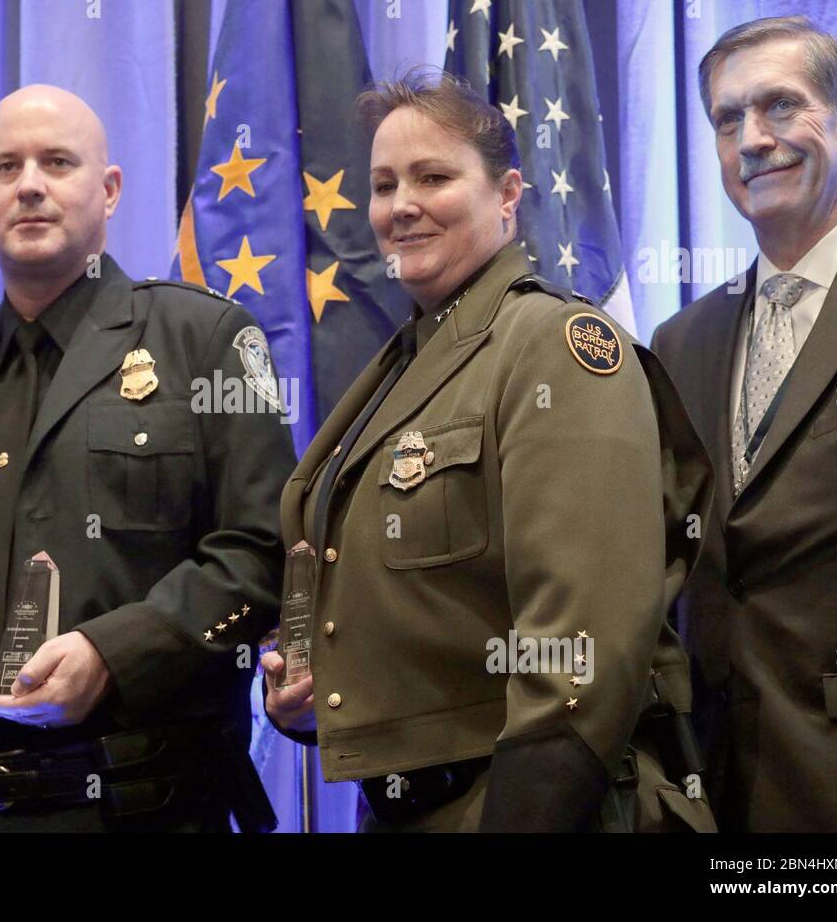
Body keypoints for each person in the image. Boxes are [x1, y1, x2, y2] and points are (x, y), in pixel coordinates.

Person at [263, 72, 715, 832]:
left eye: (433, 176)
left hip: (543, 806)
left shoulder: (556, 344)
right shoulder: (407, 362)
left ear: (507, 194)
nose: (400, 204)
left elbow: (582, 646)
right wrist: (314, 697)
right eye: (383, 184)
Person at [0, 84, 292, 831]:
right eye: (6, 167)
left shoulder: (206, 340)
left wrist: (114, 653)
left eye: (57, 162)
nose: (29, 183)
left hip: (135, 804)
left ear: (110, 188)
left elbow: (260, 555)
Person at [651, 17, 837, 831]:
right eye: (728, 119)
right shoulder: (680, 342)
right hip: (710, 789)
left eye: (780, 107)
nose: (753, 139)